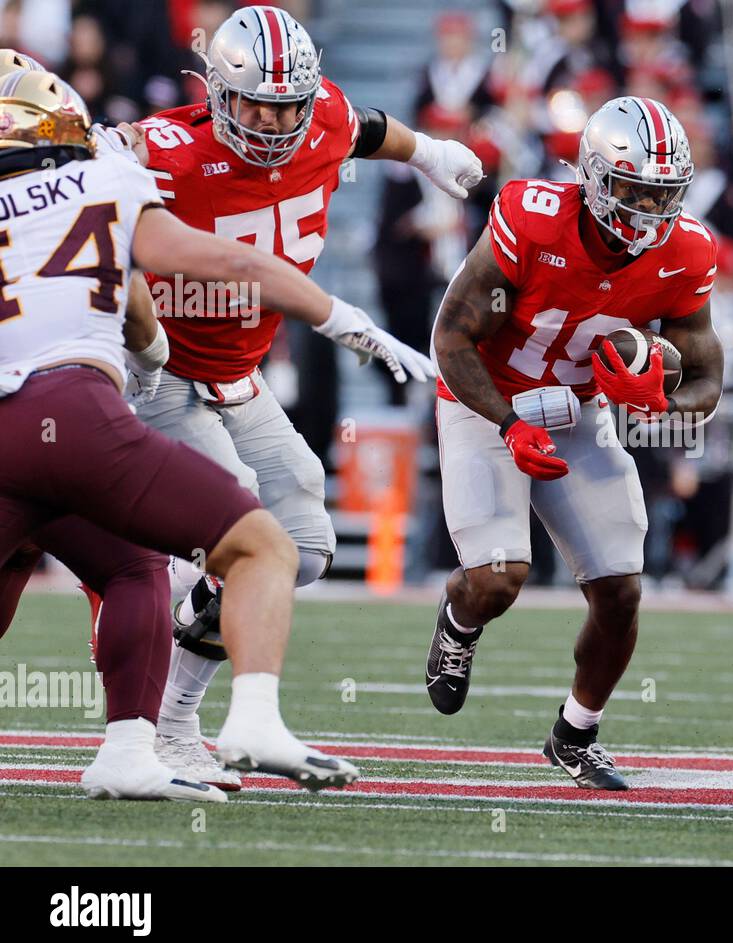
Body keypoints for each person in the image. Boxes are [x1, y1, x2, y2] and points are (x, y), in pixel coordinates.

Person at [0, 69, 415, 797]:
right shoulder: (104, 181)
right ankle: (247, 723)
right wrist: (339, 317)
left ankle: (135, 750)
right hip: (71, 413)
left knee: (132, 568)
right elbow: (225, 265)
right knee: (245, 547)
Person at [117, 6, 481, 790]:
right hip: (163, 374)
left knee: (304, 548)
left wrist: (430, 154)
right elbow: (87, 176)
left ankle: (180, 603)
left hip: (241, 378)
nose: (275, 122)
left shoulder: (323, 119)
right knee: (242, 528)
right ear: (217, 93)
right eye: (255, 105)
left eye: (289, 106)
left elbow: (368, 127)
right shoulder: (166, 149)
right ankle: (170, 721)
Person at [429, 96, 722, 789]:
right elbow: (452, 337)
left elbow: (707, 377)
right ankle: (459, 623)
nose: (651, 210)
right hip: (486, 402)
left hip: (579, 412)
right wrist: (508, 423)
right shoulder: (532, 217)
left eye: (664, 193)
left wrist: (661, 402)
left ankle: (575, 735)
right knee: (498, 580)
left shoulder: (686, 251)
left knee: (620, 590)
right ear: (593, 177)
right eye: (635, 190)